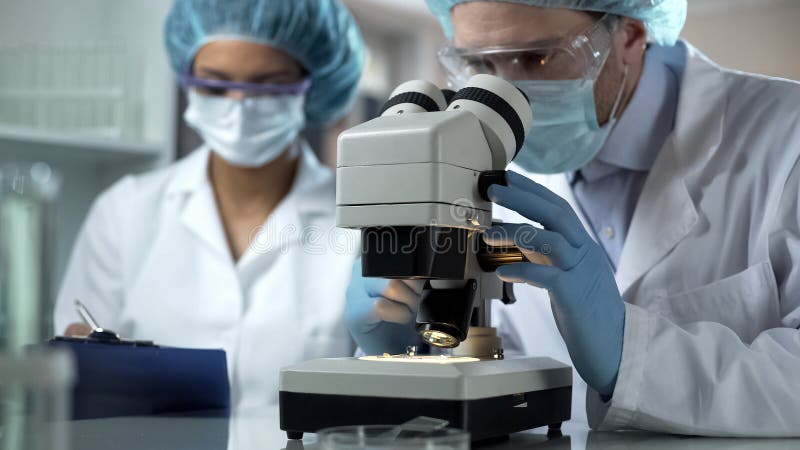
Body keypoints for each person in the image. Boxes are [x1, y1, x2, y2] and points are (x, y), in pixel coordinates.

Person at [345, 0, 800, 437]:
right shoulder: (483, 160)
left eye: (536, 58)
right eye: (479, 64)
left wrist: (631, 355)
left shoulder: (786, 138)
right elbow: (496, 375)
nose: (505, 90)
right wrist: (407, 350)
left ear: (630, 34)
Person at [54, 0, 364, 410]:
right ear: (187, 78)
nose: (239, 105)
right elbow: (78, 376)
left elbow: (384, 393)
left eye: (269, 85)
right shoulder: (124, 211)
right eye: (215, 86)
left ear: (315, 83)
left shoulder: (362, 219)